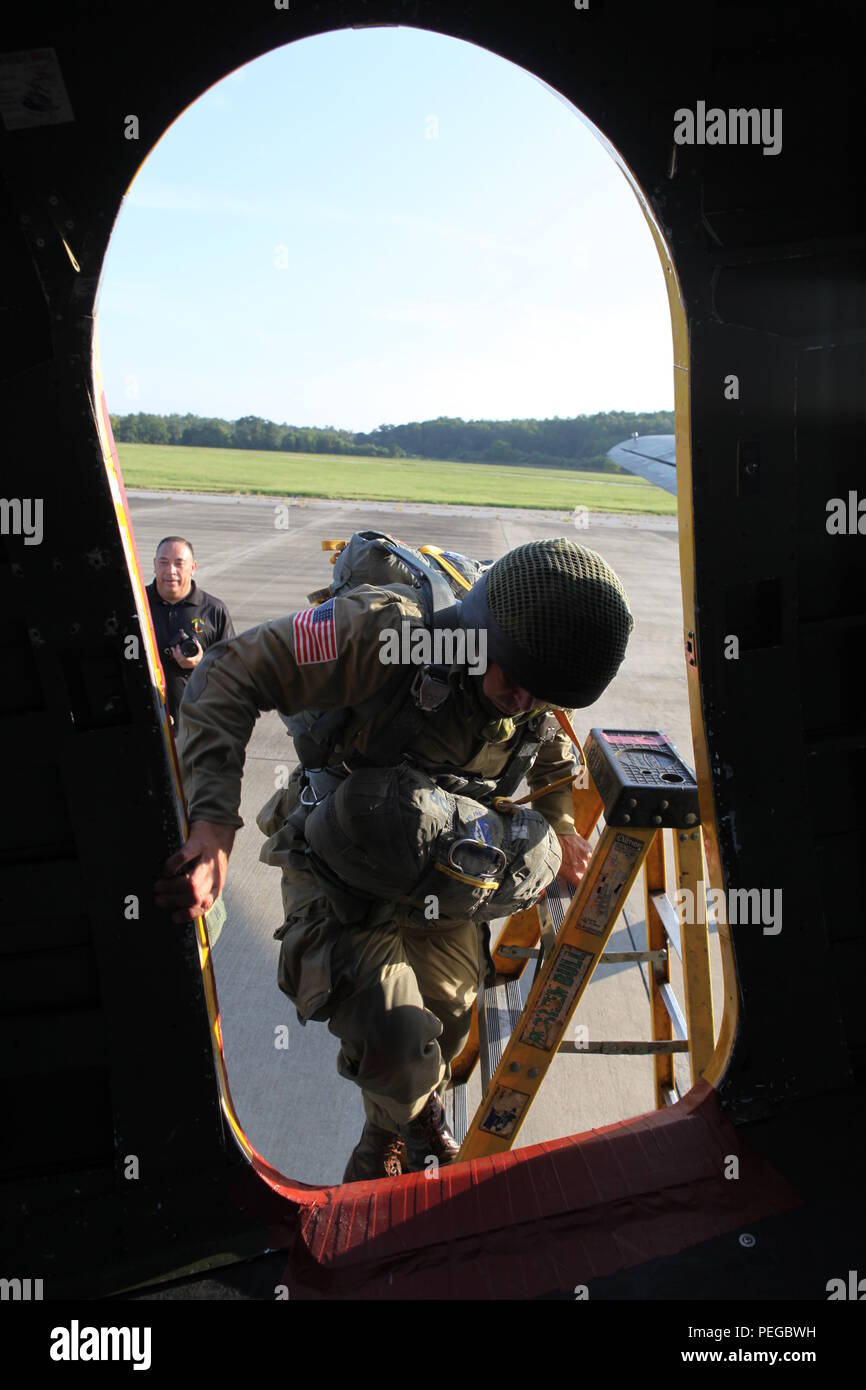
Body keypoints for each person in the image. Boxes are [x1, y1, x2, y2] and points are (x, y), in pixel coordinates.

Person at [154, 537, 634, 1183]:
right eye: (513, 683)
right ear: (477, 634)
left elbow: (550, 765)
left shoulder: (536, 681)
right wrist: (212, 825)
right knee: (396, 1039)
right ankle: (388, 1145)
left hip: (435, 865)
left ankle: (399, 1121)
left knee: (452, 1018)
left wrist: (562, 832)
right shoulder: (389, 633)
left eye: (539, 694)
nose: (522, 701)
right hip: (337, 856)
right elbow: (230, 671)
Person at [145, 536, 235, 724]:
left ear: (193, 567)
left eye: (179, 563)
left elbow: (233, 673)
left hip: (196, 726)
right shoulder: (136, 603)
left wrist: (201, 663)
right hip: (144, 724)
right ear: (154, 565)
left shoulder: (213, 611)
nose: (171, 571)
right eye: (163, 562)